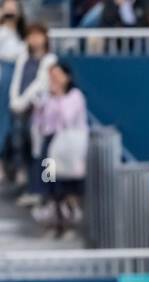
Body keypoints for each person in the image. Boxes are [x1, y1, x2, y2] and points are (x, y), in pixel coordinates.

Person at [30, 60, 88, 240]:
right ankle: (54, 222)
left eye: (57, 75)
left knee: (68, 186)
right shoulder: (46, 96)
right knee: (50, 183)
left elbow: (68, 118)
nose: (54, 80)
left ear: (67, 76)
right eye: (51, 76)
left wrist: (59, 97)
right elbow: (40, 122)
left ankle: (69, 224)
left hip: (68, 146)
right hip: (50, 145)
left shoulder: (75, 96)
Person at [6, 22, 53, 204]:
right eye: (31, 35)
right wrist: (17, 102)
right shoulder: (23, 58)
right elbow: (17, 82)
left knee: (49, 161)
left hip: (51, 130)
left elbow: (39, 87)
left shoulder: (49, 62)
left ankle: (50, 194)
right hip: (32, 119)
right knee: (30, 152)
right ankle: (35, 190)